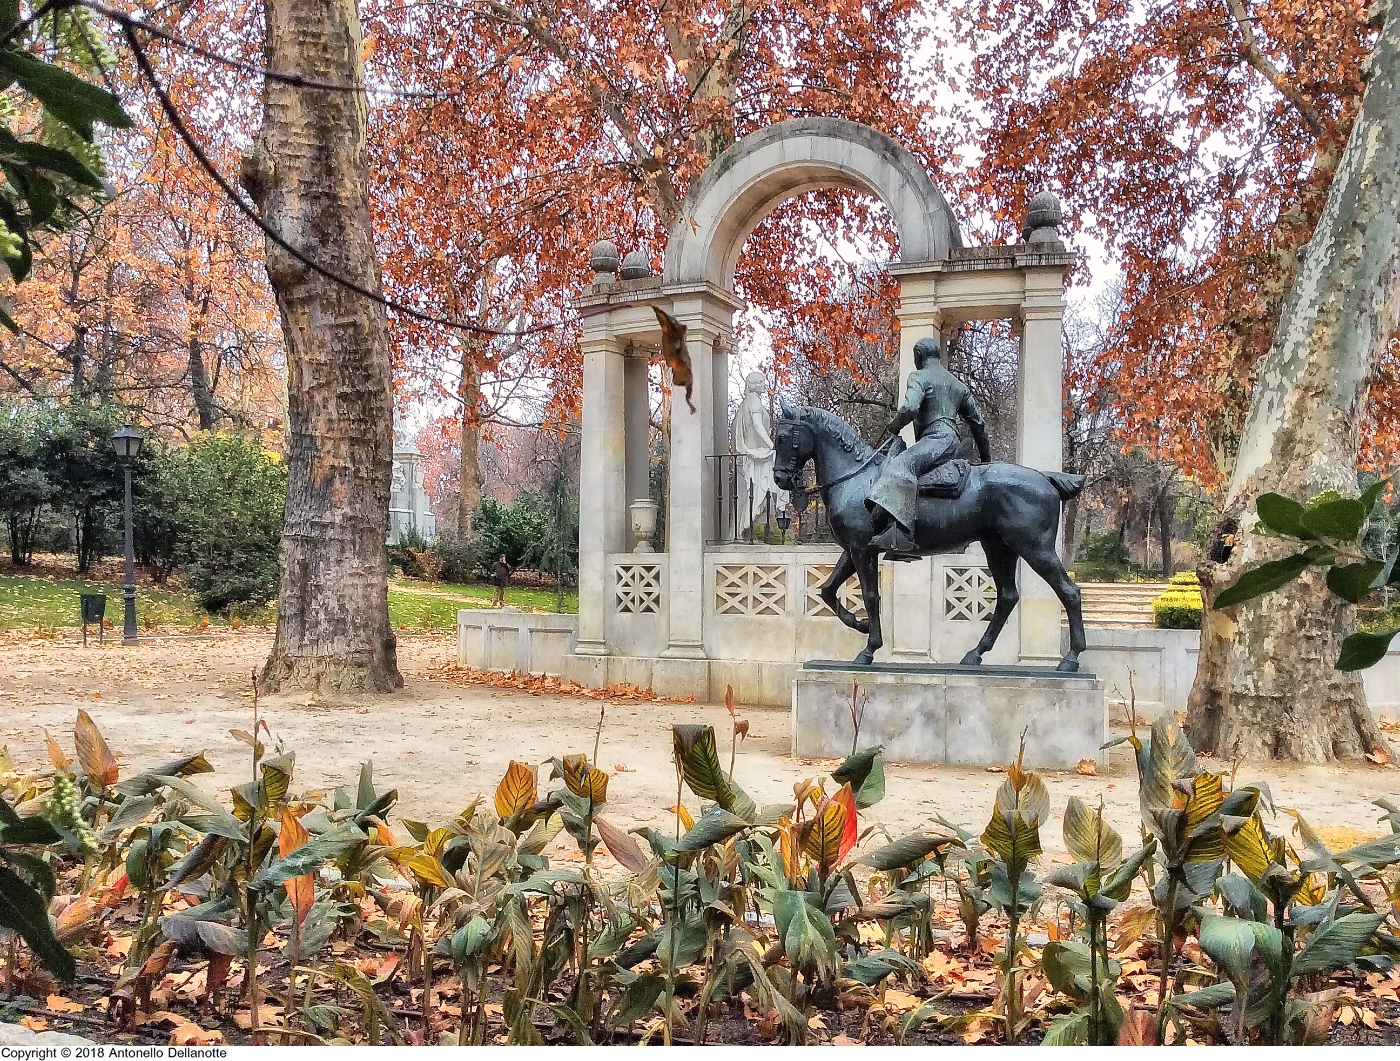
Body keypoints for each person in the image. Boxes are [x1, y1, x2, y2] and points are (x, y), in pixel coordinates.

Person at [865, 335, 991, 557]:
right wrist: (986, 459)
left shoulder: (919, 376)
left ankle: (902, 535)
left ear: (919, 355)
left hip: (936, 441)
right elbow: (979, 425)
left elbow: (910, 408)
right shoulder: (958, 385)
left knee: (900, 466)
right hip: (951, 440)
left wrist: (894, 425)